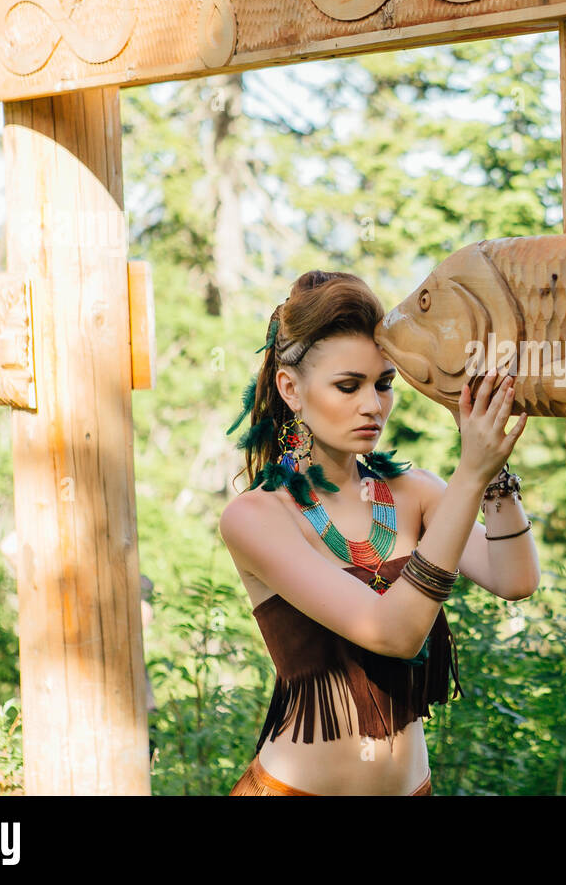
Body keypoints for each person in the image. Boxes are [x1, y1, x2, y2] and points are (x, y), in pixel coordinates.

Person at [220, 271, 539, 795]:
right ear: (291, 388)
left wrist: (493, 473)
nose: (373, 405)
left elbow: (516, 577)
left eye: (384, 384)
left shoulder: (416, 492)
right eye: (348, 386)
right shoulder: (257, 516)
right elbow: (393, 632)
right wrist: (470, 474)